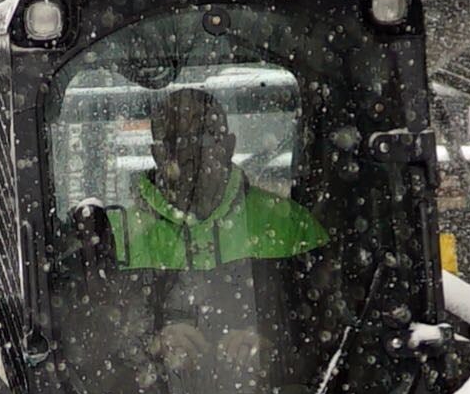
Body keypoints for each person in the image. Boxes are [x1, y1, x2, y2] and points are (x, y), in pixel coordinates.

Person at [116, 88, 326, 271]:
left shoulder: (293, 226)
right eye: (174, 140)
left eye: (204, 137)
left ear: (229, 147)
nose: (191, 152)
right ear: (156, 154)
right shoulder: (117, 238)